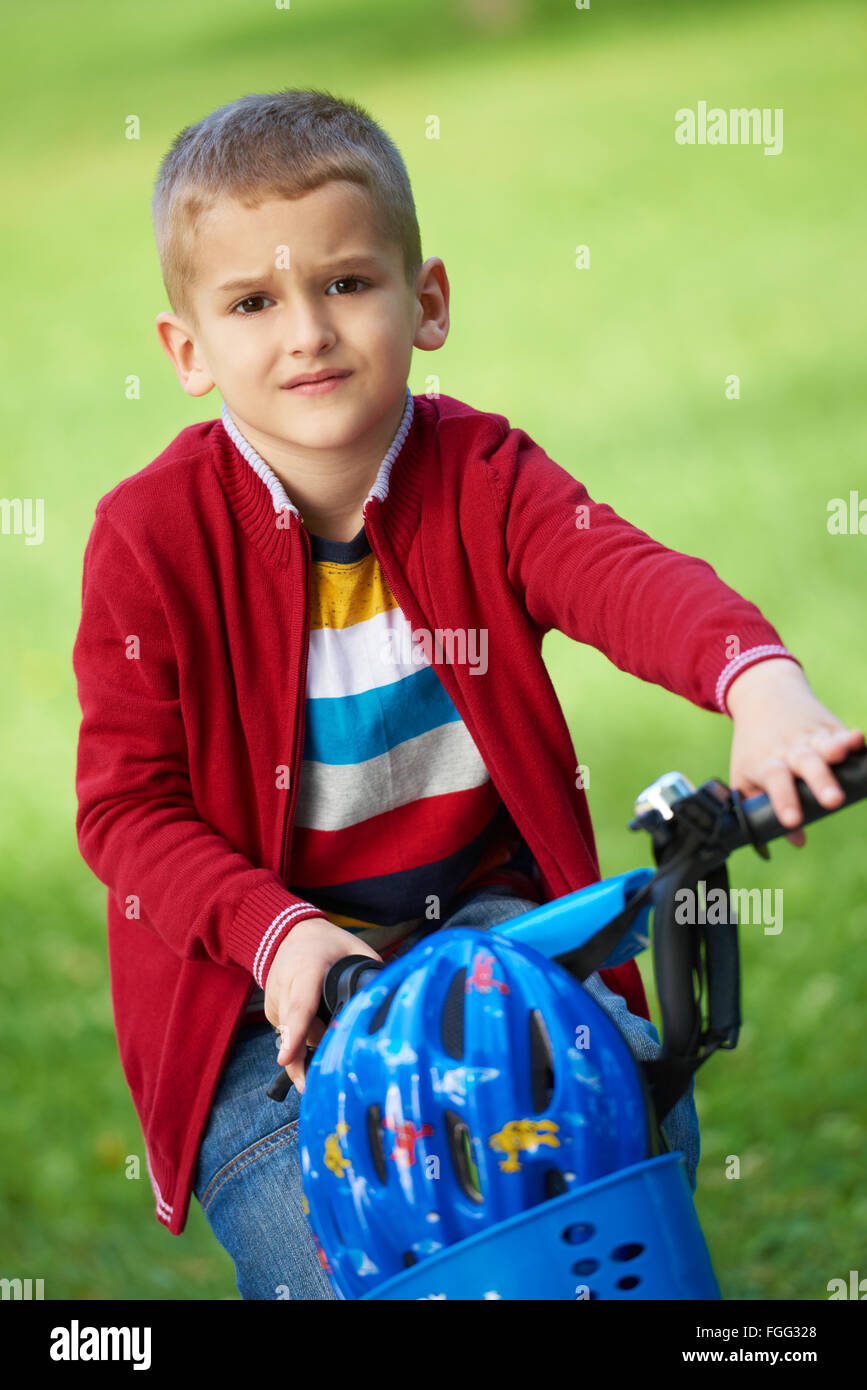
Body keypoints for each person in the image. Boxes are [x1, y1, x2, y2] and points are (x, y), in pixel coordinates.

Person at [72, 88, 864, 1300]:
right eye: (251, 303)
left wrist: (761, 686)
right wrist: (280, 939)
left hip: (490, 936)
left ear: (425, 300)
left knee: (618, 1119)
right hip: (266, 1002)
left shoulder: (485, 475)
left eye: (345, 283)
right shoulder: (149, 538)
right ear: (187, 350)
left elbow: (623, 574)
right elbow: (125, 810)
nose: (307, 336)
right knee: (335, 1238)